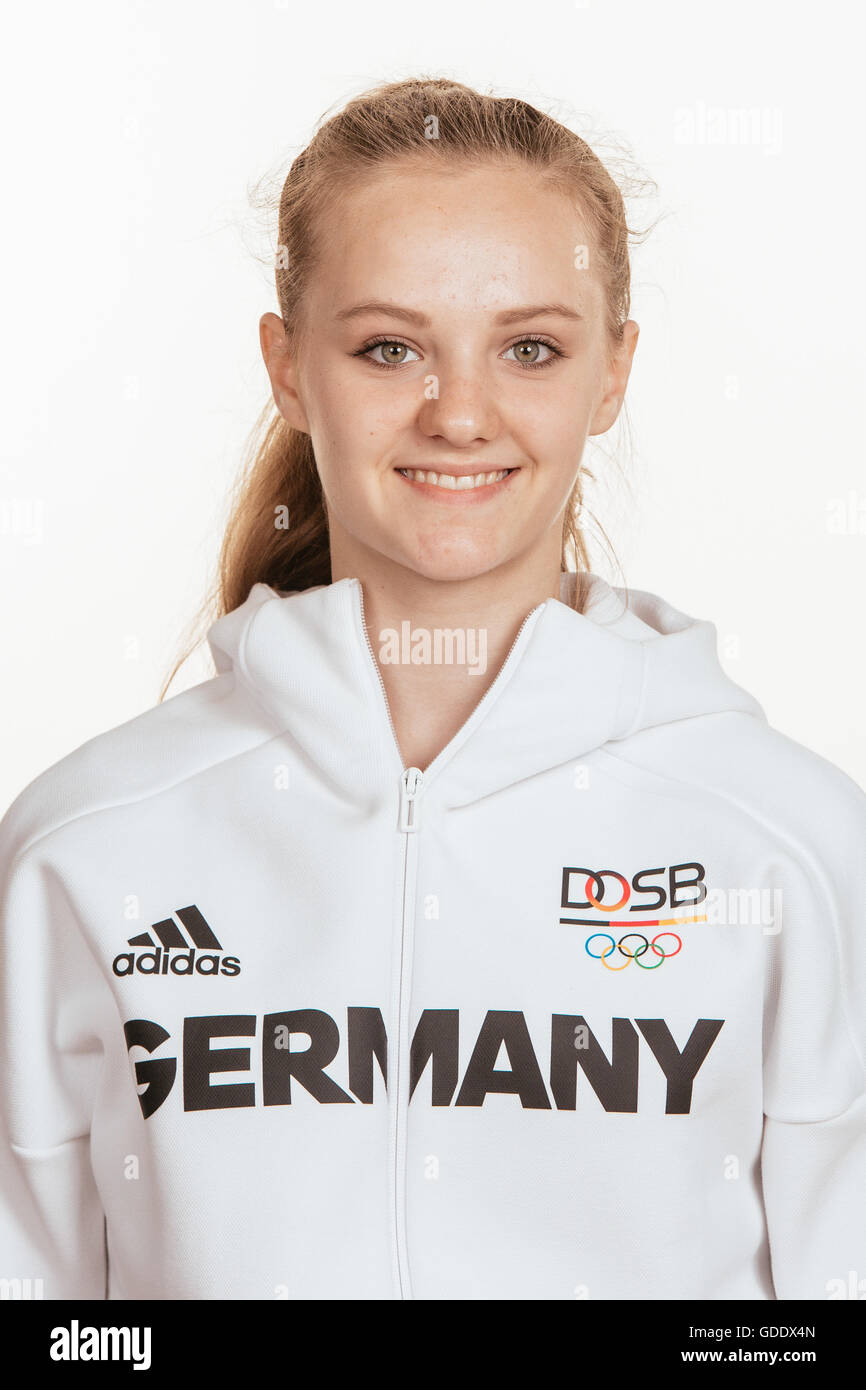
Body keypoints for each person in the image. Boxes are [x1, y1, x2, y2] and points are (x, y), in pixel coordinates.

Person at [0, 76, 864, 1302]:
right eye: (388, 347)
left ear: (611, 373)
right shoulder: (85, 845)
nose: (457, 412)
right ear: (288, 368)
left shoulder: (788, 846)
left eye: (528, 348)